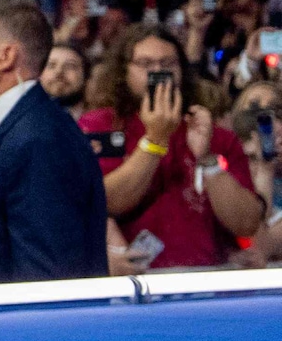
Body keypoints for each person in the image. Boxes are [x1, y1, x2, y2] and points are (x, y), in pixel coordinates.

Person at [0, 0, 109, 285]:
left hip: (12, 327)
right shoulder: (14, 128)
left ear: (6, 57)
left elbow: (48, 278)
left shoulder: (40, 139)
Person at [78, 26, 262, 271]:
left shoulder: (213, 133)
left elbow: (246, 223)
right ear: (124, 71)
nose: (158, 72)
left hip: (208, 279)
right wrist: (155, 140)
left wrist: (206, 159)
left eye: (168, 63)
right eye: (145, 64)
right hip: (135, 281)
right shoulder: (99, 126)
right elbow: (103, 202)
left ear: (181, 70)